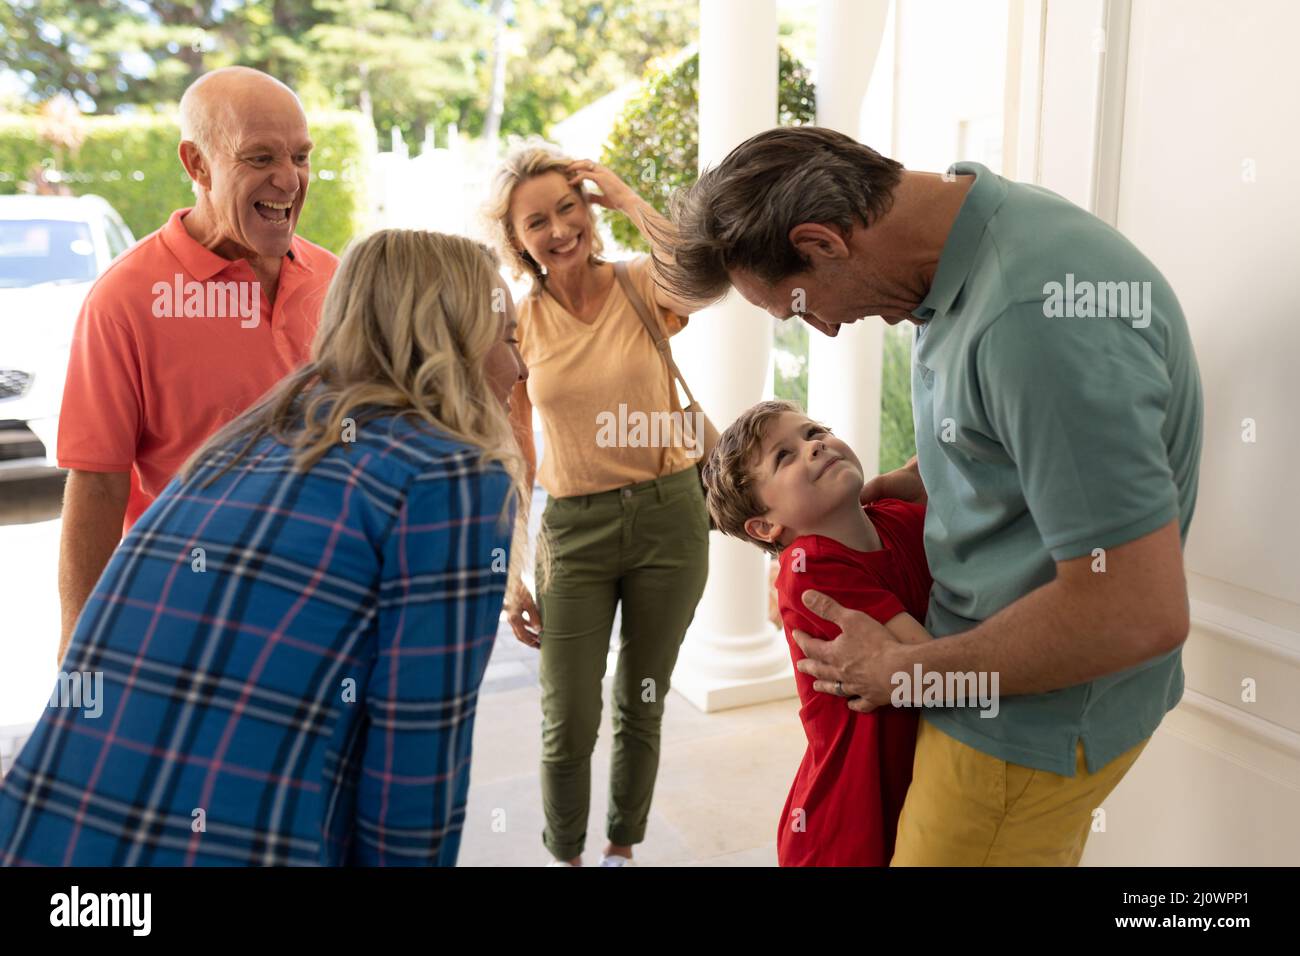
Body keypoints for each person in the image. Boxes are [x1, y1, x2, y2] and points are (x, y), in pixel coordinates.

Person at [660, 125, 1203, 866]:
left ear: (823, 244)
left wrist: (901, 674)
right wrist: (921, 477)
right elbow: (1023, 433)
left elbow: (1136, 607)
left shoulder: (1030, 317)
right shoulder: (969, 244)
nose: (822, 328)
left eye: (798, 307)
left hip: (1014, 729)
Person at [0, 230, 528, 866]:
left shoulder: (255, 431)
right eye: (509, 338)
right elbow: (414, 774)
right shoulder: (450, 476)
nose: (520, 369)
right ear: (455, 342)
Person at [56, 66, 338, 662]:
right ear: (198, 164)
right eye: (260, 158)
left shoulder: (339, 282)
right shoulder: (125, 300)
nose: (288, 180)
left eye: (300, 156)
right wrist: (79, 643)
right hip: (191, 626)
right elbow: (98, 483)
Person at [482, 140, 709, 866]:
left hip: (669, 514)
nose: (558, 229)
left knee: (642, 701)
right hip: (573, 531)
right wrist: (513, 566)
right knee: (567, 718)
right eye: (536, 222)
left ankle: (620, 849)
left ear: (589, 208)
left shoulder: (643, 284)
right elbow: (515, 450)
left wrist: (628, 196)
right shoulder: (519, 324)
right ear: (517, 241)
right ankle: (567, 855)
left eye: (569, 207)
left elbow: (704, 274)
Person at [703, 400, 932, 866]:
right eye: (783, 456)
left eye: (814, 432)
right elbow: (930, 666)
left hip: (912, 781)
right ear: (766, 525)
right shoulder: (810, 568)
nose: (814, 447)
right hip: (848, 818)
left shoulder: (897, 518)